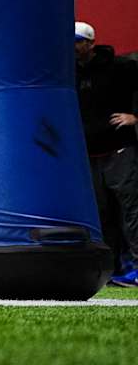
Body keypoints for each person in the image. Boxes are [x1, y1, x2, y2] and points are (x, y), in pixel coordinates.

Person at [73, 22, 138, 287]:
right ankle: (111, 269)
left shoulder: (119, 67)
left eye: (77, 41)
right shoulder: (69, 74)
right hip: (90, 156)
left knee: (131, 210)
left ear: (90, 42)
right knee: (101, 215)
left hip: (120, 151)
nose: (73, 47)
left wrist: (135, 117)